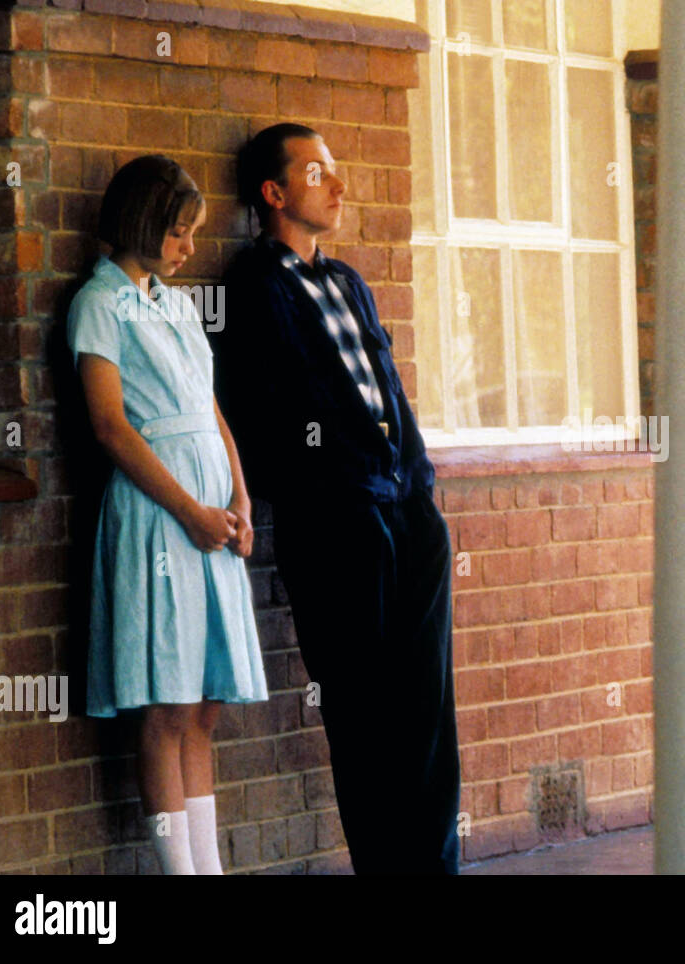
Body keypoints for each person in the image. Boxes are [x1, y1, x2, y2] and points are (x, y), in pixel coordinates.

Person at [212, 123, 460, 875]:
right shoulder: (254, 286)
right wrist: (338, 484)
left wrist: (419, 488)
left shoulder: (349, 281)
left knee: (427, 710)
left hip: (405, 510)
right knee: (362, 716)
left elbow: (387, 392)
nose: (338, 186)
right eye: (319, 173)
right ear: (275, 193)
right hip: (336, 523)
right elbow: (265, 409)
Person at [67, 155, 268, 875]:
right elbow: (110, 426)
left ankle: (208, 868)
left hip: (211, 511)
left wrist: (239, 497)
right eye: (179, 232)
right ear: (144, 223)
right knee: (166, 704)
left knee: (206, 704)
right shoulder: (99, 303)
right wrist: (189, 511)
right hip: (161, 516)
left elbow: (209, 409)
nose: (188, 248)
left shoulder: (176, 304)